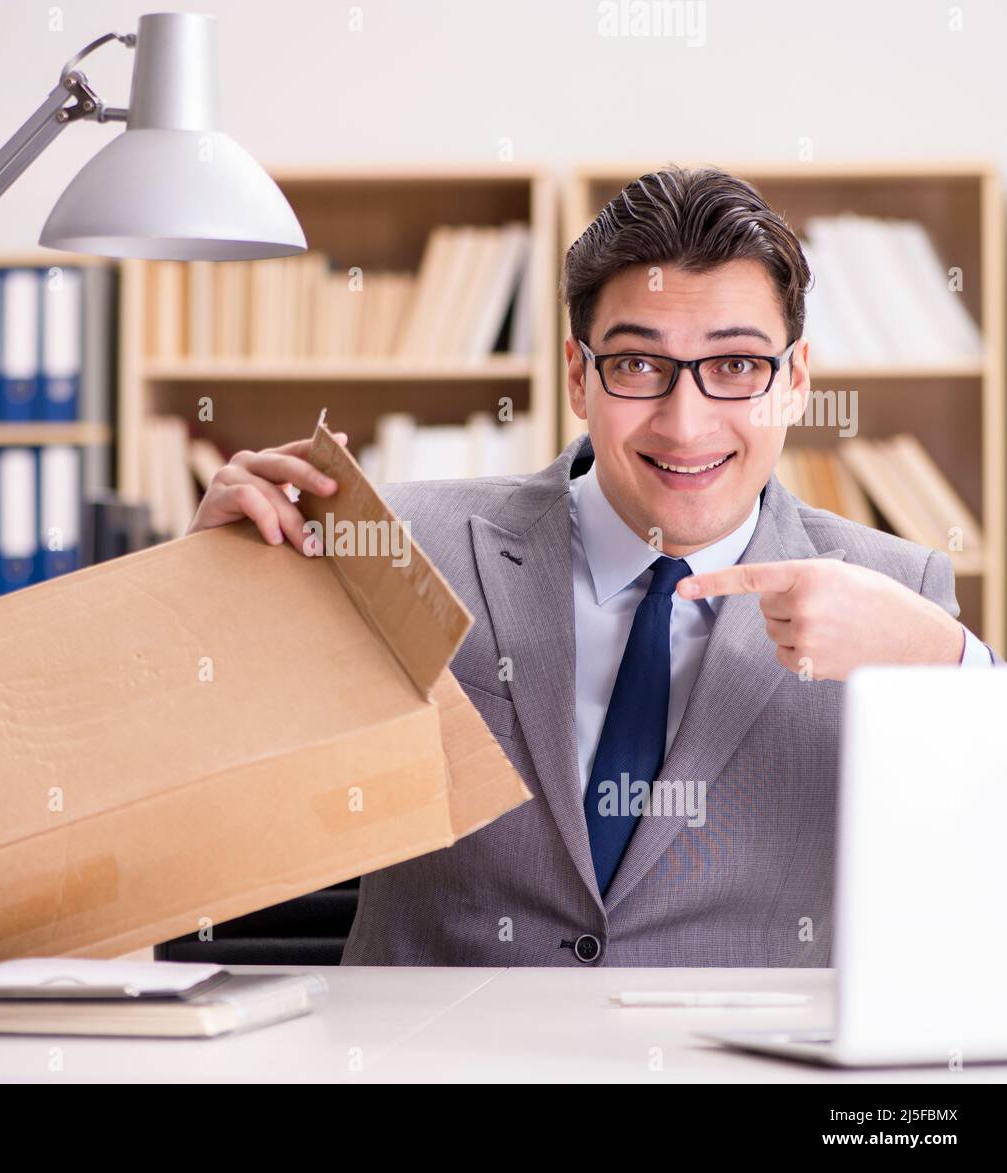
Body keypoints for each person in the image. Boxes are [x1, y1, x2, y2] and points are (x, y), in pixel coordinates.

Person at [187, 166, 998, 967]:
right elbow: (202, 799)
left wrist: (955, 664)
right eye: (639, 365)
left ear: (795, 381)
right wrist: (200, 595)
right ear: (579, 376)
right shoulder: (395, 541)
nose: (686, 425)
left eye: (737, 366)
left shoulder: (898, 592)